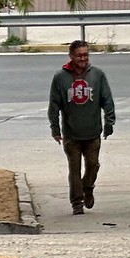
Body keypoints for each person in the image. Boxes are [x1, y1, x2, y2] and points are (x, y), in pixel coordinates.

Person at [48, 40, 115, 216]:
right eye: (79, 55)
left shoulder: (97, 75)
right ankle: (77, 202)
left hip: (93, 132)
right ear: (71, 56)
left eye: (86, 55)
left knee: (93, 165)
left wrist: (109, 122)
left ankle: (88, 187)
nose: (83, 58)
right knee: (74, 169)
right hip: (71, 134)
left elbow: (107, 100)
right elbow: (54, 105)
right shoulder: (60, 77)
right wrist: (55, 128)